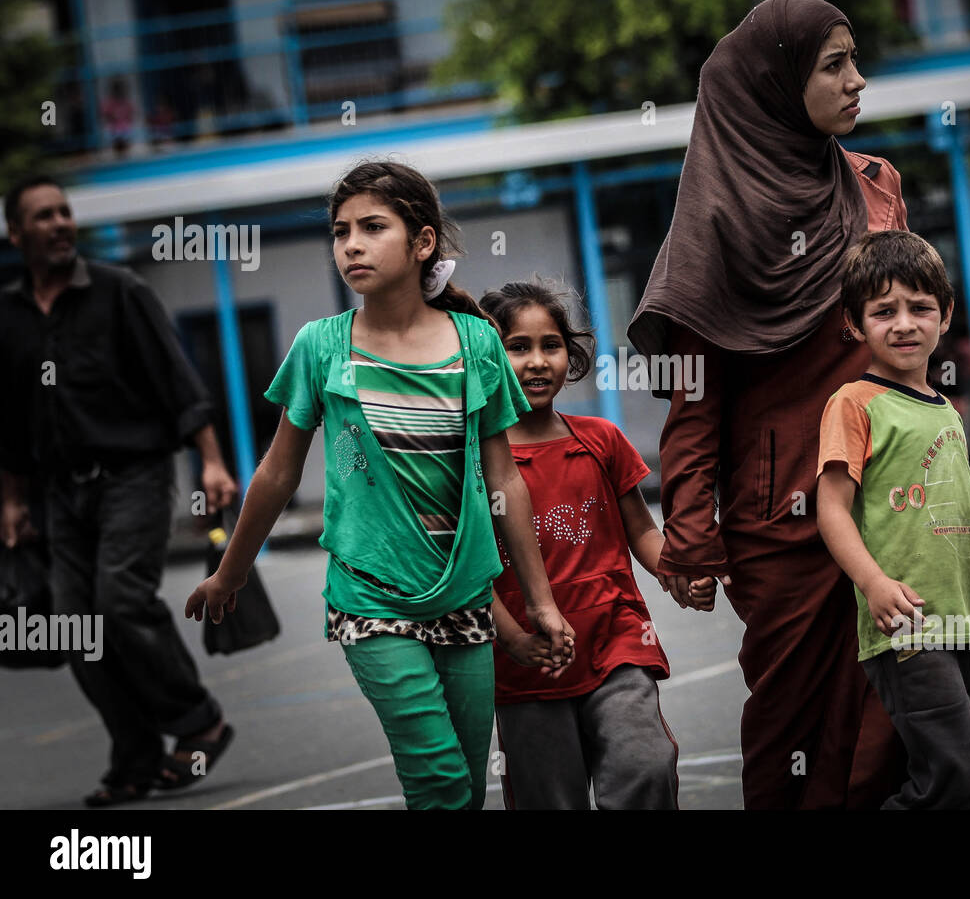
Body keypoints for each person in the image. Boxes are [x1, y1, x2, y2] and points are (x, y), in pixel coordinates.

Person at [184, 161, 575, 809]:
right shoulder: (322, 347)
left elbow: (502, 475)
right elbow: (278, 472)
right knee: (440, 783)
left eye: (372, 227)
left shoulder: (475, 341)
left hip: (464, 597)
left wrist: (540, 601)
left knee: (470, 789)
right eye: (340, 232)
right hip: (372, 598)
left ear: (422, 243)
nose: (352, 245)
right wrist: (231, 572)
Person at [627, 0, 910, 809]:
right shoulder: (712, 224)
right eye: (834, 65)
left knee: (903, 715)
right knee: (795, 731)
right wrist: (690, 529)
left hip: (894, 493)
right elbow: (692, 397)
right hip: (782, 521)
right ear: (774, 87)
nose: (858, 81)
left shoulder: (878, 187)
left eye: (856, 60)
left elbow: (907, 331)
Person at [0, 175, 238, 806]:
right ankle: (133, 758)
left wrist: (211, 463)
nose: (58, 224)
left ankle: (199, 720)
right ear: (15, 234)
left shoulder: (119, 292)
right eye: (43, 216)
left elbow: (178, 382)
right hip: (57, 494)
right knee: (75, 628)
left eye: (64, 212)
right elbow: (8, 420)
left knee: (118, 600)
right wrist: (12, 500)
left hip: (133, 475)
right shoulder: (7, 316)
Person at [480, 280, 706, 809]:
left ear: (571, 352)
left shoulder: (601, 439)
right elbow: (469, 568)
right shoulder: (473, 463)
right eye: (518, 347)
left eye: (550, 345)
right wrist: (512, 636)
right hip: (527, 662)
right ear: (485, 357)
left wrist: (676, 571)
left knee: (645, 765)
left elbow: (643, 533)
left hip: (616, 642)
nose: (537, 362)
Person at [816, 230, 970, 809]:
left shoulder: (945, 408)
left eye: (920, 308)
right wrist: (874, 584)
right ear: (855, 324)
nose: (903, 323)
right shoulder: (854, 403)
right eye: (884, 312)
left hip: (968, 622)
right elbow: (831, 510)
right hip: (909, 624)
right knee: (952, 774)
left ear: (946, 314)